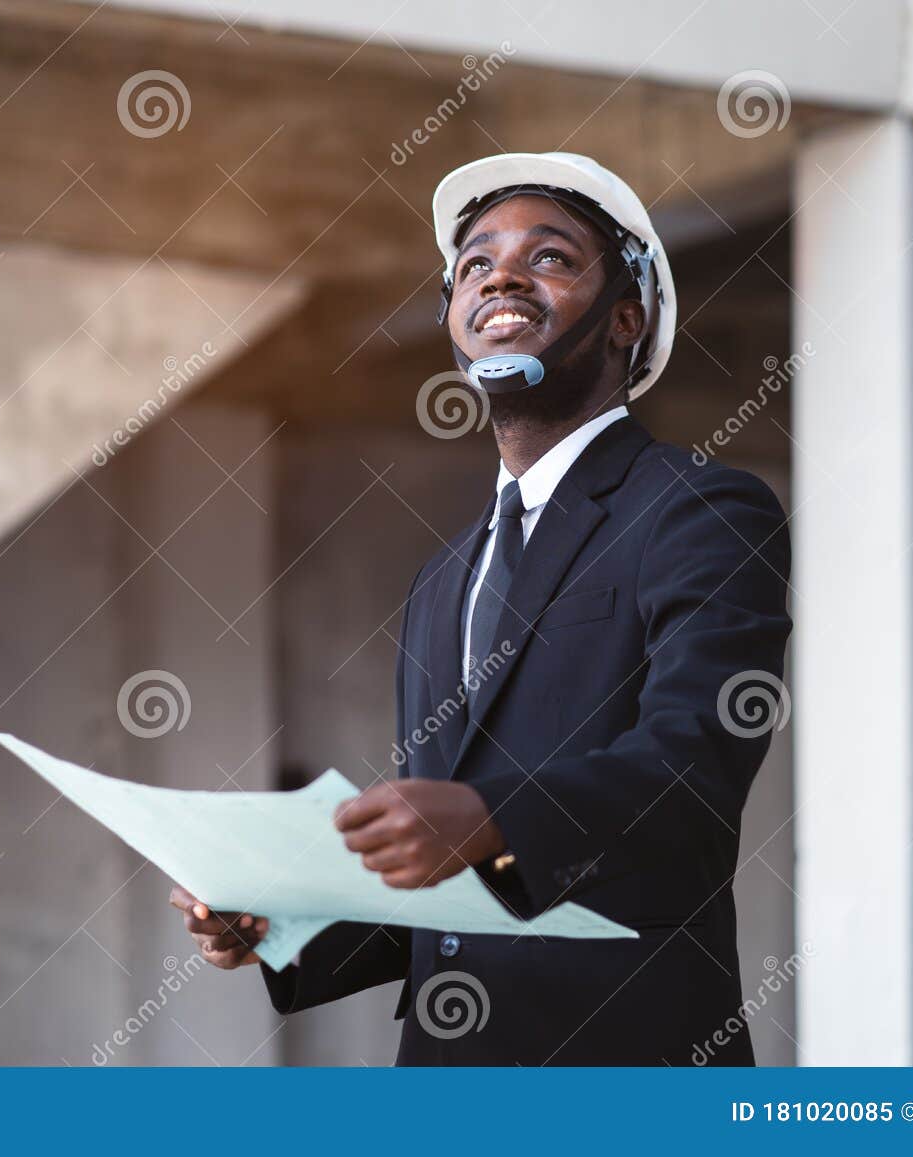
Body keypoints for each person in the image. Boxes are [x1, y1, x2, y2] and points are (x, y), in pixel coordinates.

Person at [170, 152, 793, 1065]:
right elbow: (452, 881)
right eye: (474, 264)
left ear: (629, 318)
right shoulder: (444, 580)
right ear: (455, 322)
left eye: (549, 257)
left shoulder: (700, 508)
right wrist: (284, 922)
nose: (500, 273)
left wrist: (489, 815)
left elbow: (693, 767)